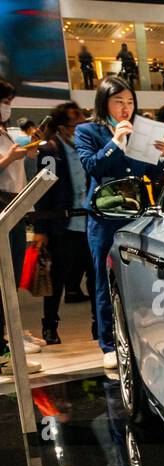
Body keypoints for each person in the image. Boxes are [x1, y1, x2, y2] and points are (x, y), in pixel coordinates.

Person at [74, 75, 164, 369]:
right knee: (105, 280)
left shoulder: (142, 130)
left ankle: (141, 335)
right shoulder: (87, 130)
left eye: (130, 102)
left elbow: (152, 176)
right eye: (119, 101)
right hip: (104, 216)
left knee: (141, 277)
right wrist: (116, 141)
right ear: (105, 102)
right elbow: (93, 166)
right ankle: (108, 342)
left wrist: (163, 157)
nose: (125, 107)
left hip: (137, 213)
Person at [31, 102, 93, 346]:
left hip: (88, 222)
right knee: (57, 279)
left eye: (81, 123)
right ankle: (49, 325)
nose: (77, 129)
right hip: (62, 224)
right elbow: (42, 191)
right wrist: (41, 228)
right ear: (61, 127)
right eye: (72, 125)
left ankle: (99, 326)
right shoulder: (50, 150)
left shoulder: (86, 147)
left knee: (95, 277)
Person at [0, 78, 44, 373]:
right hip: (2, 206)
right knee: (2, 277)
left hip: (14, 204)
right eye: (4, 101)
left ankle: (8, 338)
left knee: (10, 276)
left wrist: (23, 155)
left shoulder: (4, 130)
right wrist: (9, 157)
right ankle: (5, 354)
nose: (7, 107)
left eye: (9, 102)